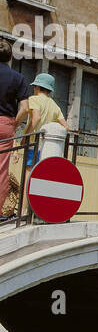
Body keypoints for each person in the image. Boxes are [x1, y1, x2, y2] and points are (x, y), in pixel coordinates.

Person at [0, 41, 31, 214]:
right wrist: (14, 124)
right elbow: (25, 108)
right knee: (1, 171)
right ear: (10, 57)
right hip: (5, 125)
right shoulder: (17, 78)